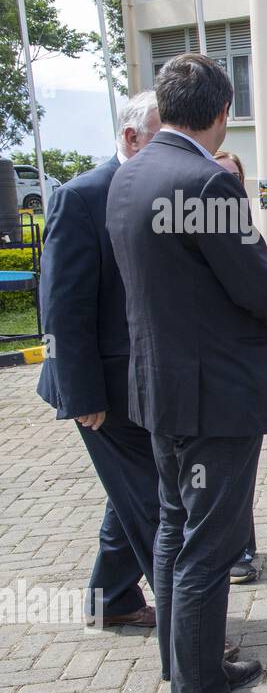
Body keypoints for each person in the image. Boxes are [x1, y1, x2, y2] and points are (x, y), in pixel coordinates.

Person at [108, 53, 267, 693]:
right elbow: (252, 283)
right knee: (207, 552)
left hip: (159, 390)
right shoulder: (207, 182)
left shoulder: (129, 177)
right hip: (214, 397)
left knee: (173, 531)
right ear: (223, 114)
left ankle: (181, 665)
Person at [37, 92, 161, 630]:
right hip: (103, 389)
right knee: (157, 504)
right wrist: (81, 395)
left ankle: (110, 599)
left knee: (130, 493)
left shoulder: (166, 196)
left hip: (150, 381)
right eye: (165, 136)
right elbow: (62, 307)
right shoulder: (82, 196)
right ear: (132, 138)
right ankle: (193, 635)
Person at [213, 148, 259, 584]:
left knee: (237, 470)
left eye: (234, 177)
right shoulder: (203, 223)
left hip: (240, 369)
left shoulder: (244, 226)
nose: (229, 183)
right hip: (208, 369)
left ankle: (244, 546)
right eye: (220, 175)